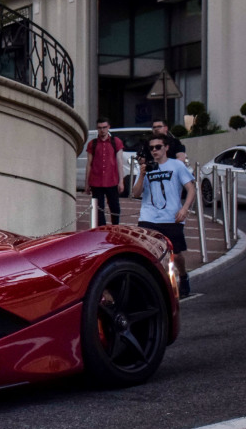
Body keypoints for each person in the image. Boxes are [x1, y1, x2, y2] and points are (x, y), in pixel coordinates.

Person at [133, 137, 197, 297]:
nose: (154, 150)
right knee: (148, 253)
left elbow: (191, 188)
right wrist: (141, 174)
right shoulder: (147, 167)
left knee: (177, 255)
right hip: (149, 217)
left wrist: (184, 209)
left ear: (166, 148)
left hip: (171, 217)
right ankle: (155, 286)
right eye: (152, 147)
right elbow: (135, 193)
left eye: (158, 147)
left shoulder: (176, 166)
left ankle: (183, 276)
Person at [84, 117, 124, 226]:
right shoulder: (92, 143)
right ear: (97, 128)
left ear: (109, 127)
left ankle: (115, 227)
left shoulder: (116, 142)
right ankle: (102, 229)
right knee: (98, 209)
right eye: (100, 128)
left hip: (112, 180)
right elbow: (89, 164)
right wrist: (86, 183)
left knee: (114, 206)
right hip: (96, 181)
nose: (102, 130)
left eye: (104, 127)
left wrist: (121, 181)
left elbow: (120, 162)